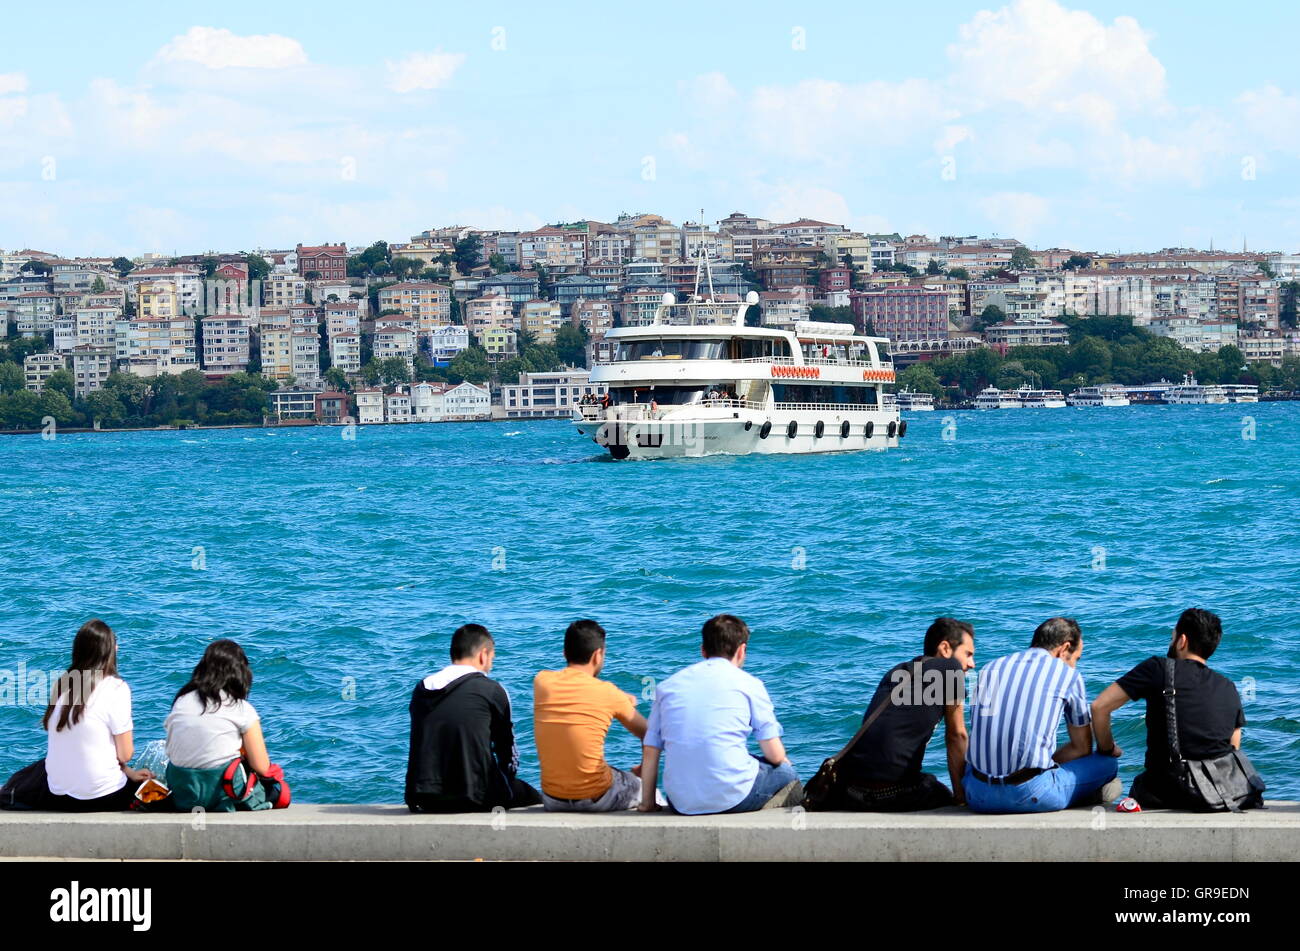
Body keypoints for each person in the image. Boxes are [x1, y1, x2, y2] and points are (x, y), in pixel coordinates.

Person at [1091, 609, 1255, 810]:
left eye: (1172, 636)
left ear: (1182, 641)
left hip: (1166, 790)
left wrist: (1107, 749)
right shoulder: (1228, 686)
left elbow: (1099, 707)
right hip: (1219, 793)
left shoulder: (1157, 668)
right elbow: (1233, 746)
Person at [638, 614, 801, 814]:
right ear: (741, 651)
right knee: (786, 771)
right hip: (733, 797)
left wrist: (647, 803)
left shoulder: (667, 687)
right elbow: (775, 755)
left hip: (680, 802)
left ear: (703, 650)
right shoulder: (750, 684)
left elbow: (650, 750)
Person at [964, 617, 1121, 813]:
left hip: (977, 795)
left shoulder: (989, 669)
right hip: (1031, 795)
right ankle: (1082, 796)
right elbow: (1082, 748)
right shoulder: (1067, 675)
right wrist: (1040, 762)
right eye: (1076, 659)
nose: (1074, 665)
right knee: (1107, 764)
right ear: (1064, 649)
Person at [826, 618, 974, 811]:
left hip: (853, 792)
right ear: (945, 648)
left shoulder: (897, 672)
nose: (971, 663)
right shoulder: (951, 668)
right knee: (938, 790)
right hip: (892, 794)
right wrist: (961, 799)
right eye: (968, 654)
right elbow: (957, 735)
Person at [405, 623, 541, 813]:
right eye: (492, 659)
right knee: (533, 797)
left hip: (423, 797)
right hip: (475, 796)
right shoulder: (492, 690)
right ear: (483, 655)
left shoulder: (421, 689)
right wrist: (505, 781)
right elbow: (507, 753)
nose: (491, 665)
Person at [533, 619, 648, 811]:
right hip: (596, 798)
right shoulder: (608, 693)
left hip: (552, 799)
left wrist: (620, 697)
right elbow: (648, 733)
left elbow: (579, 691)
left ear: (564, 653)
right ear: (597, 655)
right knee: (643, 788)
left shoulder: (542, 682)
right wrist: (642, 769)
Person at [40, 619, 154, 811]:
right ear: (108, 651)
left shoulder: (62, 685)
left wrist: (128, 772)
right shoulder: (116, 688)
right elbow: (125, 754)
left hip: (57, 796)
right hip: (102, 797)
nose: (117, 647)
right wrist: (129, 772)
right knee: (158, 791)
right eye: (114, 643)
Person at [164, 639, 278, 811]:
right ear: (240, 673)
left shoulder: (181, 701)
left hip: (183, 792)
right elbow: (262, 767)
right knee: (275, 791)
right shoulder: (241, 708)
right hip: (221, 792)